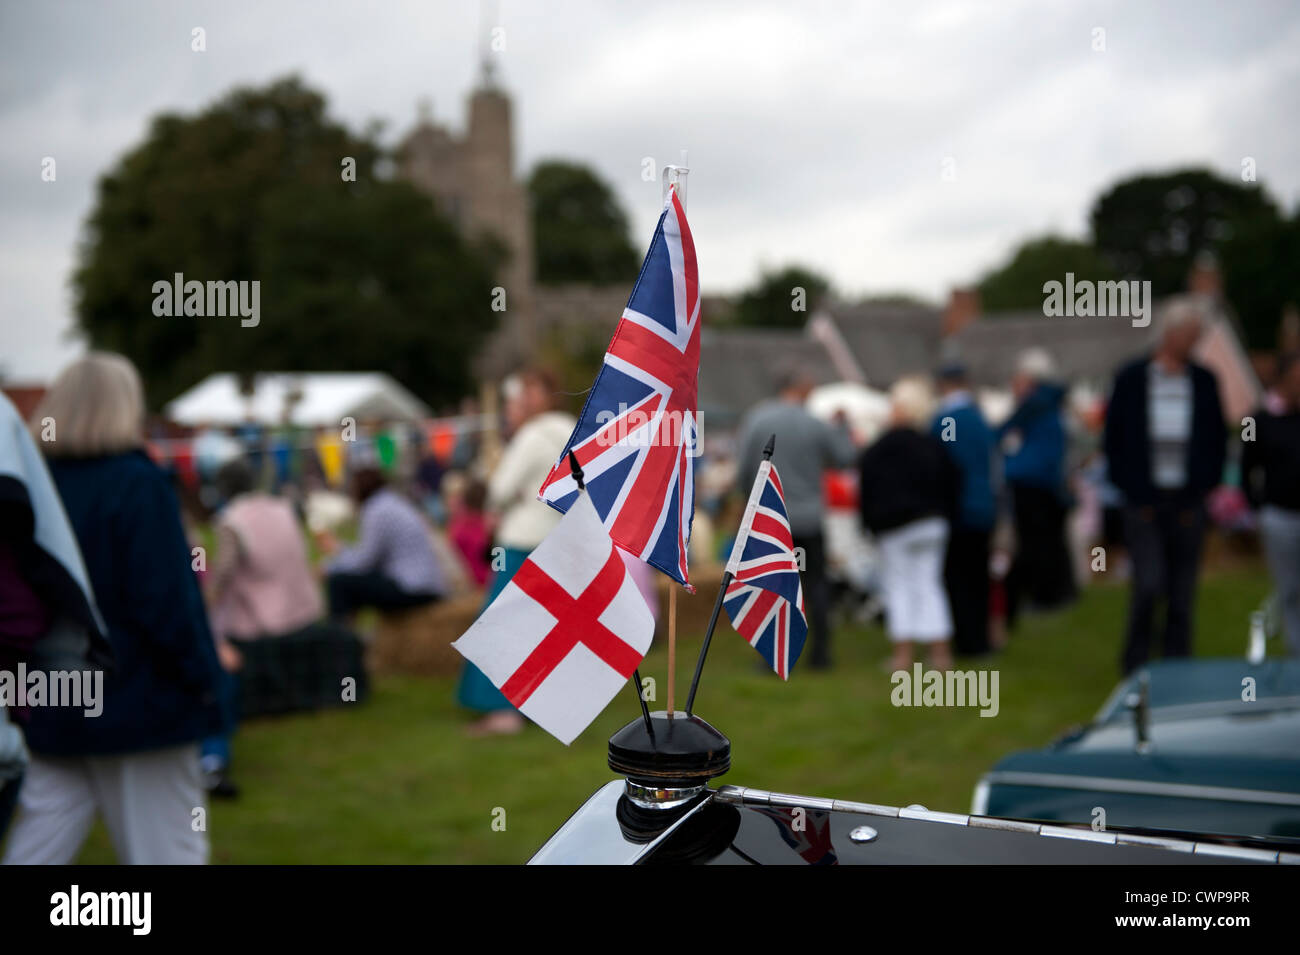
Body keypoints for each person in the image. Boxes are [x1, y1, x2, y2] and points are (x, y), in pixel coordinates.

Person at [3, 353, 224, 864]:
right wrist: (204, 683)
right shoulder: (136, 483)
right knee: (168, 849)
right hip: (138, 699)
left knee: (40, 842)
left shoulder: (35, 485)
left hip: (52, 693)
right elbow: (164, 603)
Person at [1104, 299, 1227, 673]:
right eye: (1190, 335)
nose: (1194, 343)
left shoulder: (1204, 381)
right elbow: (1115, 439)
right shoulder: (1132, 378)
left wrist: (1202, 488)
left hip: (1188, 502)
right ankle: (1137, 661)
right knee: (1148, 582)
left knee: (1183, 588)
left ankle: (1177, 663)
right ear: (1170, 334)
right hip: (1143, 502)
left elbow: (1216, 439)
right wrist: (1134, 491)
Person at [457, 368, 575, 735]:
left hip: (524, 543)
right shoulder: (573, 428)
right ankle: (541, 704)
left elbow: (498, 490)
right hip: (559, 542)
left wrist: (505, 486)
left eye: (528, 394)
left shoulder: (534, 434)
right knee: (541, 629)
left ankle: (502, 711)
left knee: (503, 627)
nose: (520, 403)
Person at [200, 458, 325, 796]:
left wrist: (206, 604)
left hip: (264, 616)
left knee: (215, 623)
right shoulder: (282, 507)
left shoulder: (231, 520)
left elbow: (224, 573)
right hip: (304, 606)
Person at [736, 367, 857, 669]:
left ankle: (771, 657)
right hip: (810, 519)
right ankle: (820, 655)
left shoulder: (757, 419)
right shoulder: (815, 423)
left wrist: (748, 502)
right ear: (800, 387)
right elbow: (845, 458)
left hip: (771, 520)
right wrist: (842, 427)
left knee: (772, 586)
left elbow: (743, 469)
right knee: (816, 585)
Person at [859, 377, 958, 672]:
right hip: (932, 524)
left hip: (896, 528)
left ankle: (903, 658)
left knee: (900, 588)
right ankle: (940, 655)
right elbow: (952, 483)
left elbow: (867, 490)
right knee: (929, 586)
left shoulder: (880, 448)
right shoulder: (935, 445)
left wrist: (870, 525)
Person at [999, 348, 1076, 625]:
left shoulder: (1034, 404)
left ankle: (1042, 596)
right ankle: (1059, 593)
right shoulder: (1052, 404)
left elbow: (1002, 430)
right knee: (1052, 542)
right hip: (1049, 481)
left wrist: (1005, 460)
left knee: (1034, 544)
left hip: (1031, 482)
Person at [930, 363, 996, 657]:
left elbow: (942, 465)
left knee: (956, 579)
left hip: (958, 509)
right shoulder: (980, 419)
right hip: (983, 507)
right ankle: (981, 641)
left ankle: (964, 641)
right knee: (979, 578)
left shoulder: (945, 420)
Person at [320, 466, 446, 617]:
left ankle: (341, 638)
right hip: (427, 585)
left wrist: (330, 567)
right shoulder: (392, 502)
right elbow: (370, 556)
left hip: (413, 588)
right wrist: (339, 550)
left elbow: (365, 562)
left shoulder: (376, 510)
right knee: (351, 583)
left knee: (338, 583)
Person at [1241, 351, 1300, 656]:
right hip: (1279, 516)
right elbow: (1247, 466)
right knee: (1289, 588)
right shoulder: (1258, 419)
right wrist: (1257, 507)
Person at [444, 473, 493, 588]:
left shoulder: (457, 528)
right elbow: (500, 562)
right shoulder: (490, 528)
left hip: (469, 585)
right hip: (488, 583)